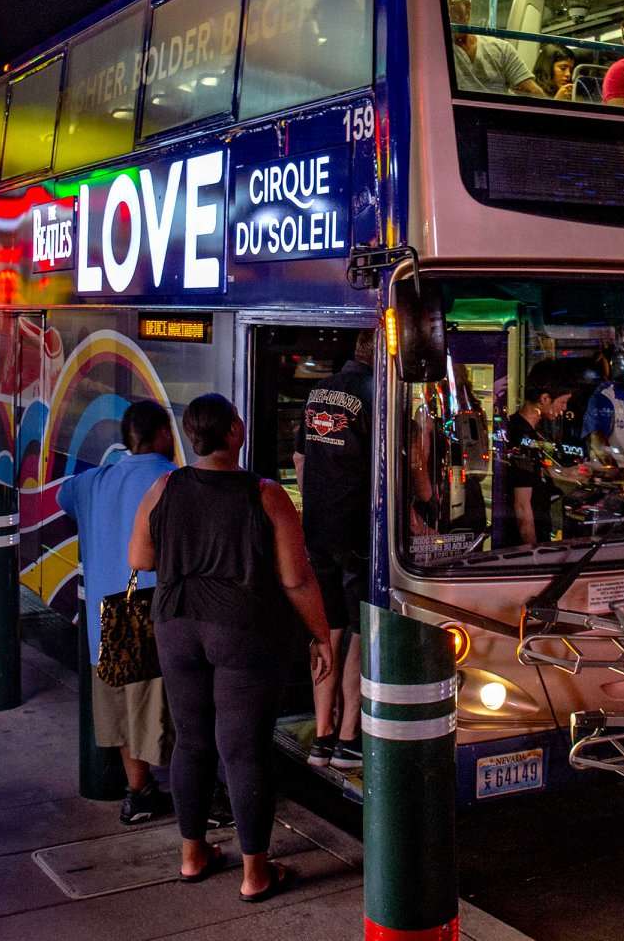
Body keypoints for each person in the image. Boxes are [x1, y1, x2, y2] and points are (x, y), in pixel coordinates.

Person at [130, 394, 334, 903]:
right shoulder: (266, 494)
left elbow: (139, 556)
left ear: (191, 436)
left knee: (192, 739)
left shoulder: (164, 487)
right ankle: (254, 873)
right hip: (241, 626)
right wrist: (320, 634)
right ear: (235, 432)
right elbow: (296, 577)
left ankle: (192, 856)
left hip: (175, 623)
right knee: (243, 749)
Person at [58, 400, 178, 825]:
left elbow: (63, 495)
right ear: (162, 434)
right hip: (159, 612)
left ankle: (139, 793)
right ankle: (195, 793)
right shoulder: (173, 481)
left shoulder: (92, 482)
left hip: (107, 617)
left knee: (124, 710)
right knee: (172, 708)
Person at [293, 333, 373, 769]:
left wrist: (317, 505)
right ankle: (348, 739)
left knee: (325, 633)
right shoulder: (376, 391)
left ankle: (321, 736)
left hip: (318, 530)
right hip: (358, 534)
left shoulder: (317, 391)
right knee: (360, 633)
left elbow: (300, 460)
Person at [503, 371, 570, 547]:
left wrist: (568, 473)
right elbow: (522, 505)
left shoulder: (531, 432)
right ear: (545, 399)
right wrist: (532, 551)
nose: (564, 408)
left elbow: (538, 472)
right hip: (525, 543)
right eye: (562, 402)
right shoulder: (522, 437)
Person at [447, 0, 546, 97]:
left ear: (467, 7)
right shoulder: (436, 55)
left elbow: (533, 93)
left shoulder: (502, 49)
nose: (447, 12)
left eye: (451, 4)